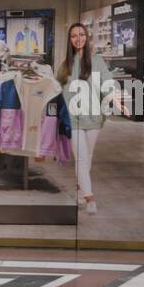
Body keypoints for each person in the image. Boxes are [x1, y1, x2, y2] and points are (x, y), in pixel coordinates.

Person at [57, 23, 120, 216]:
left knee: (87, 158)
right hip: (74, 120)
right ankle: (89, 197)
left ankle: (79, 188)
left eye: (81, 34)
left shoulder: (97, 61)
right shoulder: (65, 65)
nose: (78, 38)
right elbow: (56, 90)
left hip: (94, 118)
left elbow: (108, 83)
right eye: (74, 36)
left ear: (86, 37)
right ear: (70, 40)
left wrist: (115, 96)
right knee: (82, 159)